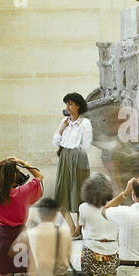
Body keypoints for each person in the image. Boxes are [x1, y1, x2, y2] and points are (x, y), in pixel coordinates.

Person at [78, 173, 119, 276]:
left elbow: (82, 227)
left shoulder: (84, 207)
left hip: (92, 253)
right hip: (112, 252)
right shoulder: (115, 209)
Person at [52, 92, 93, 236]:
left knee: (78, 194)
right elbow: (55, 142)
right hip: (64, 157)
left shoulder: (85, 123)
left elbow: (86, 145)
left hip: (78, 158)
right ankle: (72, 228)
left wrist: (76, 157)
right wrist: (62, 128)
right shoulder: (65, 121)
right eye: (67, 104)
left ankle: (78, 230)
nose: (68, 107)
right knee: (60, 194)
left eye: (70, 104)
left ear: (78, 106)